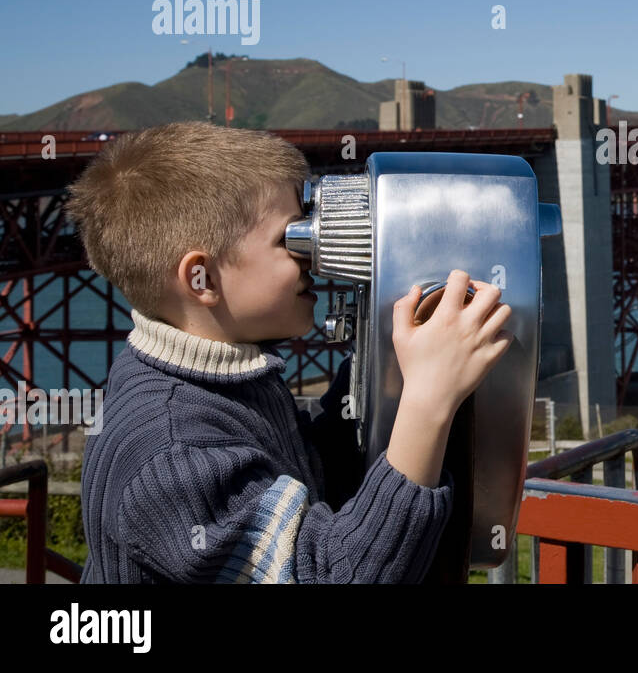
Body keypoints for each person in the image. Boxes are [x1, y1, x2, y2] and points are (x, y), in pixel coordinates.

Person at [67, 121, 512, 583]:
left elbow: (313, 472)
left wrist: (388, 358)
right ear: (202, 279)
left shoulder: (217, 375)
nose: (315, 256)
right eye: (289, 238)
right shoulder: (171, 453)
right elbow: (327, 575)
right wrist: (428, 399)